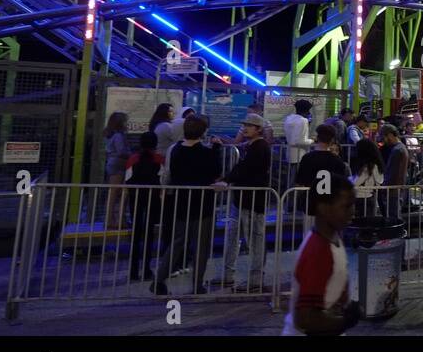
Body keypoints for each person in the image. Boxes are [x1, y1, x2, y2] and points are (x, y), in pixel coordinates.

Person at [282, 174, 361, 336]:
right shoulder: (318, 252)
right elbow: (305, 318)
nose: (353, 211)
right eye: (346, 206)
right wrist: (346, 320)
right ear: (324, 208)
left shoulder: (331, 238)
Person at [152, 116, 223, 295]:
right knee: (201, 245)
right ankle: (197, 284)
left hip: (180, 201)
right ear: (203, 132)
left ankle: (159, 279)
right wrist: (216, 148)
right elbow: (215, 172)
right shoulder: (207, 153)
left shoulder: (173, 149)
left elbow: (167, 174)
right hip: (203, 203)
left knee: (177, 242)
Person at [221, 114, 272, 292]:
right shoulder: (253, 146)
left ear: (258, 129)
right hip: (244, 198)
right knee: (236, 236)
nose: (245, 128)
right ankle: (229, 275)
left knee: (254, 240)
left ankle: (255, 279)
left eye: (250, 125)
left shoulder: (259, 147)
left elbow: (245, 169)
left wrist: (226, 180)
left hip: (251, 200)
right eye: (245, 125)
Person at [125, 131, 165, 282]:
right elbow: (163, 180)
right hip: (153, 198)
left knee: (135, 235)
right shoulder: (159, 159)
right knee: (149, 235)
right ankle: (147, 269)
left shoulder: (133, 159)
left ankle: (133, 271)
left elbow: (127, 180)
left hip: (136, 199)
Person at [295, 124, 350, 192]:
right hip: (330, 200)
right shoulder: (338, 160)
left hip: (310, 198)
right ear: (332, 140)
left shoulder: (307, 158)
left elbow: (299, 183)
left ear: (317, 138)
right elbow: (341, 184)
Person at [103, 112, 132, 228]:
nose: (127, 123)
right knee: (115, 194)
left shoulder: (110, 135)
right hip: (118, 165)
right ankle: (113, 221)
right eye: (125, 121)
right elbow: (121, 151)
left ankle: (113, 220)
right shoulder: (119, 136)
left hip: (112, 164)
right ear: (120, 123)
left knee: (114, 193)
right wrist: (132, 153)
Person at [379, 124, 409, 220]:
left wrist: (385, 187)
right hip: (396, 190)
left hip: (393, 190)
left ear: (390, 135)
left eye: (384, 137)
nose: (383, 140)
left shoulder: (397, 150)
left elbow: (393, 173)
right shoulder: (400, 148)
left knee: (394, 219)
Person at [350, 138, 384, 217]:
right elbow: (380, 181)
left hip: (361, 199)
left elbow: (355, 182)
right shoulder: (376, 165)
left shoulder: (368, 167)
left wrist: (347, 179)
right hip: (368, 198)